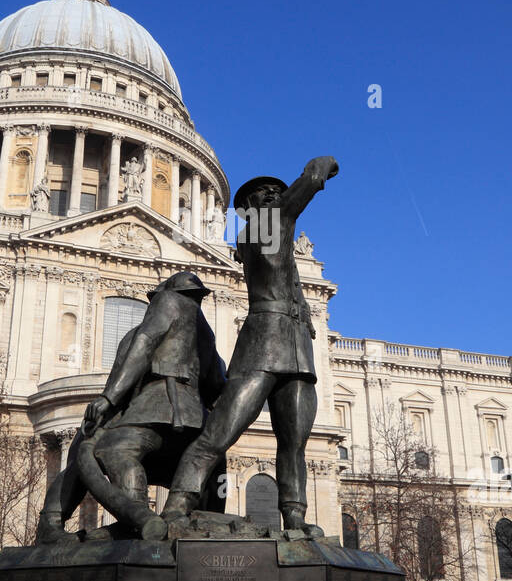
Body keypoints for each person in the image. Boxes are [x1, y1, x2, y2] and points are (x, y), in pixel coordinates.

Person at [163, 157, 340, 535]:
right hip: (263, 341)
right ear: (250, 208)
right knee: (221, 431)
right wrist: (320, 168)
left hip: (296, 349)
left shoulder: (278, 236)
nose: (275, 197)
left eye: (277, 193)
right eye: (267, 195)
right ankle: (178, 501)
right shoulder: (261, 227)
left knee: (294, 444)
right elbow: (306, 184)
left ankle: (293, 517)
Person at [36, 272, 227, 541]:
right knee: (211, 460)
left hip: (157, 411)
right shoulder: (205, 331)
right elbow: (218, 382)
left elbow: (142, 347)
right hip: (194, 426)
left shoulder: (166, 303)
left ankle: (63, 521)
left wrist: (107, 399)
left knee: (95, 446)